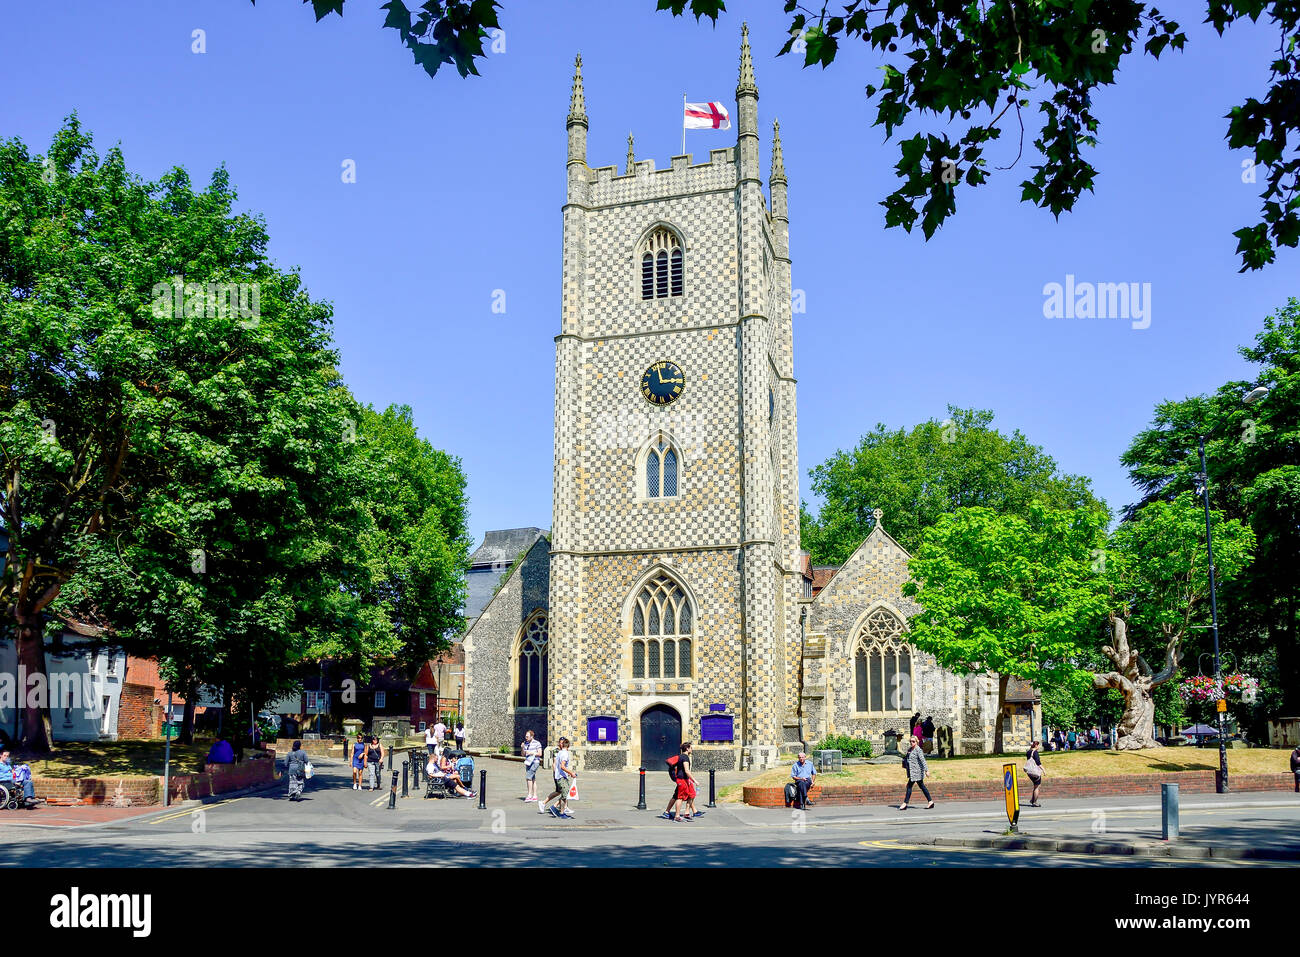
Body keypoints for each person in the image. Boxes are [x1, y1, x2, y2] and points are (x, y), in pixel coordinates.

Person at [540, 737, 575, 818]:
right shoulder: (565, 754)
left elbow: (558, 765)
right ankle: (561, 812)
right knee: (564, 795)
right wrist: (571, 773)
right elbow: (562, 766)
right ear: (568, 746)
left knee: (564, 794)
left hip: (559, 776)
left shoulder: (559, 753)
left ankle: (557, 808)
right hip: (562, 777)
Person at [899, 735, 934, 810]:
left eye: (913, 741)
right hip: (912, 771)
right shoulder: (910, 749)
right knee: (921, 786)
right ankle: (930, 802)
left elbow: (923, 760)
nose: (912, 743)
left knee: (909, 786)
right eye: (910, 741)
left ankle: (905, 803)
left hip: (917, 772)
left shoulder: (918, 750)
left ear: (917, 742)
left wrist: (927, 770)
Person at [671, 742, 698, 822]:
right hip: (682, 779)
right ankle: (677, 816)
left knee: (692, 794)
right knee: (680, 797)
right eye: (691, 748)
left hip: (685, 779)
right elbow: (687, 771)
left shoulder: (681, 756)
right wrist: (694, 780)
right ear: (687, 749)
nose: (691, 749)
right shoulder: (685, 757)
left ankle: (686, 813)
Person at [521, 729, 543, 802]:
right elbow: (523, 754)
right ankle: (535, 796)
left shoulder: (537, 743)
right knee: (532, 779)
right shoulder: (526, 743)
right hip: (528, 762)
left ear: (532, 736)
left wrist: (532, 753)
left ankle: (529, 795)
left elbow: (540, 754)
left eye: (527, 736)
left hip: (535, 762)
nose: (526, 738)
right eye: (525, 736)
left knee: (528, 778)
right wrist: (522, 748)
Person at [1024, 738, 1044, 807]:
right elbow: (1038, 762)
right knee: (1037, 787)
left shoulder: (1029, 752)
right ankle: (1034, 802)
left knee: (1035, 785)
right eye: (1038, 745)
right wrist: (1043, 770)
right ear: (1036, 746)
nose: (1038, 747)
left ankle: (1032, 800)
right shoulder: (1035, 752)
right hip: (1035, 772)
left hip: (1029, 772)